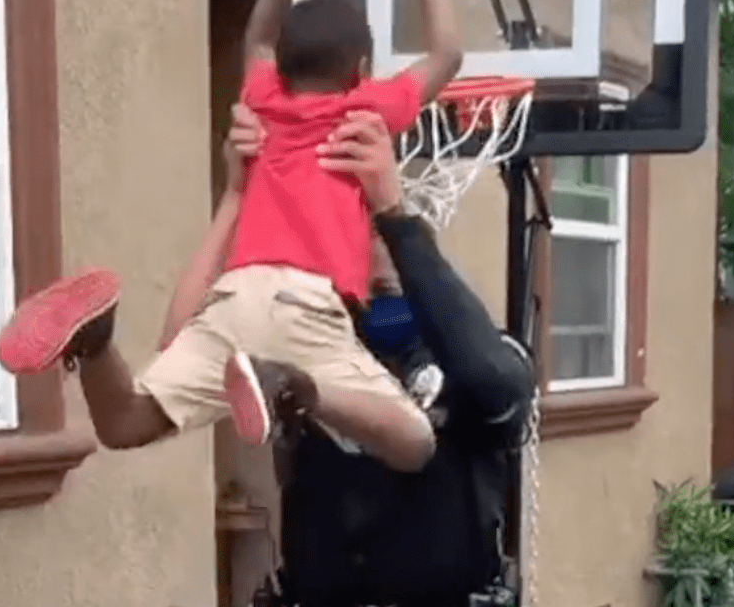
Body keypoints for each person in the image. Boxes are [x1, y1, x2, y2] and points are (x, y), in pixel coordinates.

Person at [0, 0, 462, 472]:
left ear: (279, 69)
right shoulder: (362, 114)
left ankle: (94, 344)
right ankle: (296, 387)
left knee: (127, 422)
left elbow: (257, 40)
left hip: (235, 296)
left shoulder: (262, 102)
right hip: (307, 305)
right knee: (415, 443)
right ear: (362, 72)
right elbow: (447, 55)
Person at [228, 105, 537, 607]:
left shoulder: (473, 360)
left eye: (378, 237)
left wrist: (395, 216)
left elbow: (489, 380)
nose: (370, 254)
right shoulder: (314, 352)